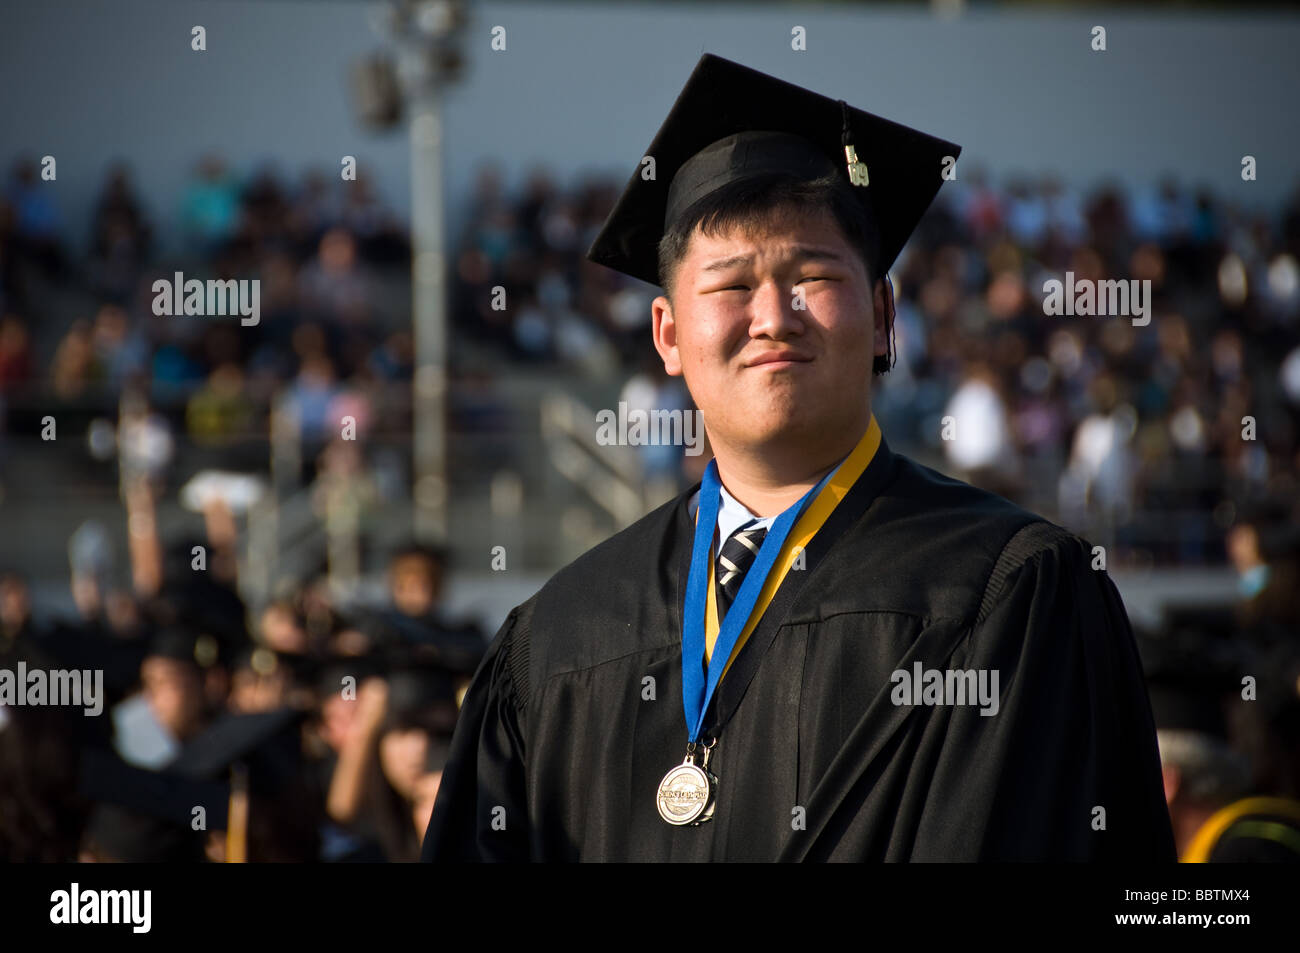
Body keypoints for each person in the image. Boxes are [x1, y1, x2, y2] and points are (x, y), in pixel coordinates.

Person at [421, 54, 1175, 861]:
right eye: (731, 285)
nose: (774, 316)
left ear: (883, 316)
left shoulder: (1006, 594)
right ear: (669, 335)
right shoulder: (558, 637)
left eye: (813, 275)